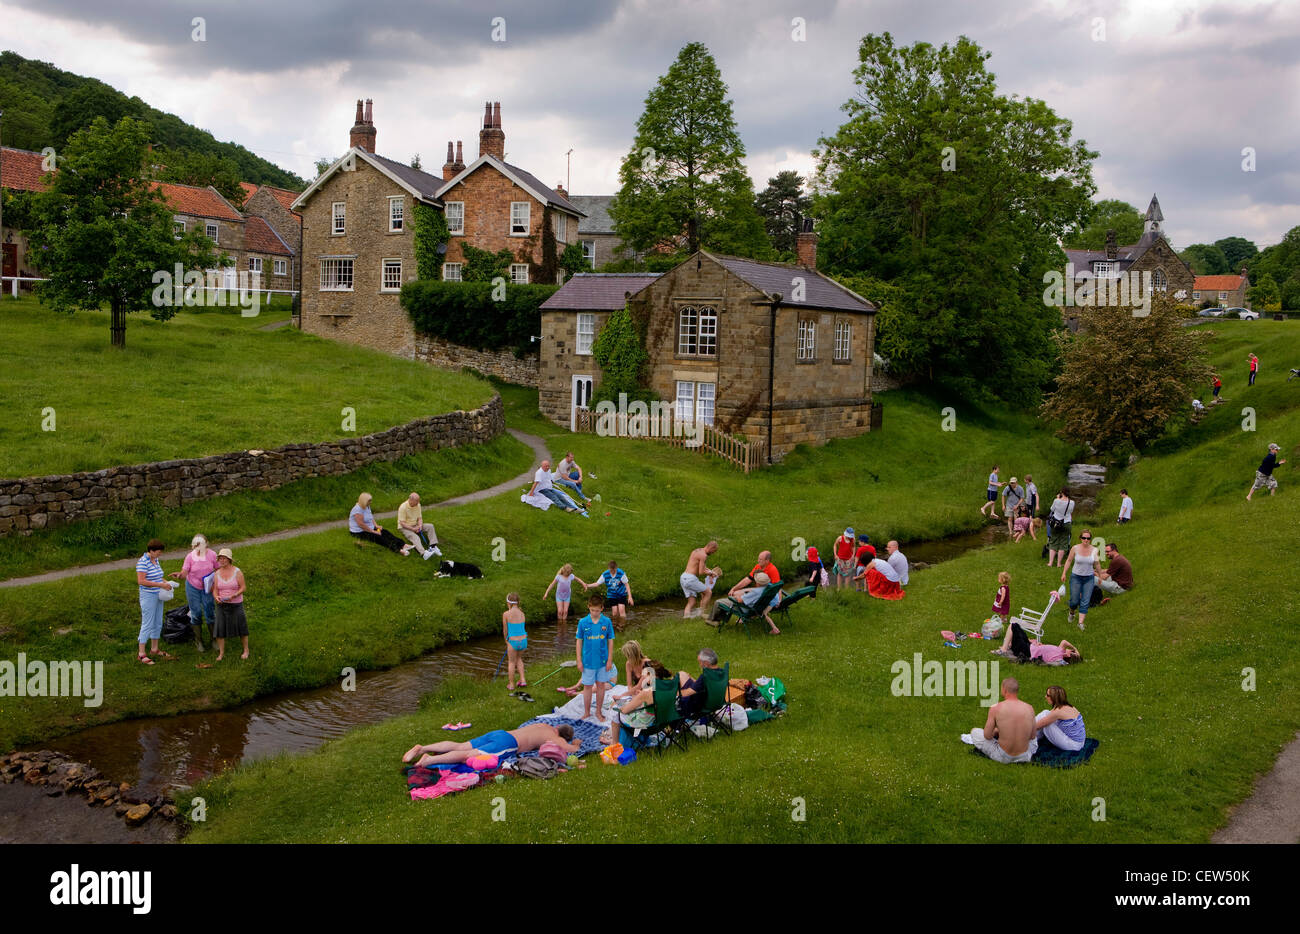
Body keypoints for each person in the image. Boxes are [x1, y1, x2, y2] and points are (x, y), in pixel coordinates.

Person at [403, 722, 580, 768]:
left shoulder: (544, 725)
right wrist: (576, 744)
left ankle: (423, 748)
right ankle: (428, 761)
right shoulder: (554, 736)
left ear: (557, 727)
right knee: (468, 756)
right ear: (561, 735)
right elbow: (570, 749)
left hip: (501, 733)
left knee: (460, 746)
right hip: (509, 743)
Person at [960, 678, 1038, 763]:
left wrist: (997, 730)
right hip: (1025, 756)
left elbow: (987, 736)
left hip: (1003, 756)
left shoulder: (996, 708)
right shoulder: (1029, 708)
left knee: (975, 732)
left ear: (1004, 690)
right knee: (1033, 740)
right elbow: (1032, 736)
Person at [602, 659, 673, 747]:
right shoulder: (667, 686)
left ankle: (615, 744)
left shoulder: (646, 692)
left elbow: (625, 710)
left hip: (648, 724)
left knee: (615, 714)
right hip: (662, 720)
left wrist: (620, 705)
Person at [169, 533, 219, 652]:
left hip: (208, 587)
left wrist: (217, 582)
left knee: (210, 612)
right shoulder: (190, 557)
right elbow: (184, 572)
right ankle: (199, 641)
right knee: (196, 612)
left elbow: (218, 569)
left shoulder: (212, 554)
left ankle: (214, 640)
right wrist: (180, 575)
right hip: (193, 587)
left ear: (206, 544)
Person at [575, 593, 615, 722]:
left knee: (601, 686)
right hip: (587, 662)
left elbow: (610, 640)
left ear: (602, 608)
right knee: (587, 687)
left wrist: (609, 660)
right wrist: (579, 660)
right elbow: (579, 641)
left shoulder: (607, 622)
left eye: (597, 610)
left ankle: (598, 711)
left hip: (603, 662)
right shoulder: (582, 622)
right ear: (588, 607)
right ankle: (587, 712)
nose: (595, 613)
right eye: (592, 610)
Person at [135, 538, 175, 665]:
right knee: (147, 623)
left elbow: (158, 576)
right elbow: (141, 581)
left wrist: (165, 582)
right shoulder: (142, 562)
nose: (160, 554)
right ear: (151, 551)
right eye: (158, 552)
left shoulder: (155, 560)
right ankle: (141, 653)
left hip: (158, 594)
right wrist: (160, 585)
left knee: (158, 621)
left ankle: (154, 648)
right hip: (148, 596)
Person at [211, 548, 249, 661]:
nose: (221, 560)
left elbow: (243, 587)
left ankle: (246, 650)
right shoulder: (217, 573)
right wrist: (216, 597)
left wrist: (235, 595)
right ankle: (221, 653)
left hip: (236, 604)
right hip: (221, 605)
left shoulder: (237, 572)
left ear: (229, 559)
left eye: (224, 558)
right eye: (220, 558)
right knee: (219, 629)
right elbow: (215, 589)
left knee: (242, 627)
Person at [990, 622, 1082, 665]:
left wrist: (1075, 652)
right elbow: (1064, 642)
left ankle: (1003, 650)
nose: (1070, 649)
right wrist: (1075, 650)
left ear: (1069, 654)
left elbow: (1064, 645)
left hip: (1026, 650)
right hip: (1029, 645)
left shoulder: (1059, 658)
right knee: (1016, 626)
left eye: (1071, 651)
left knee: (1013, 626)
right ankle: (1007, 646)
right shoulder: (1061, 650)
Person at [1062, 530, 1100, 631]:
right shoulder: (1075, 548)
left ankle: (1080, 623)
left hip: (1089, 578)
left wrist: (1100, 576)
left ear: (1090, 539)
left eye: (1088, 538)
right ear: (1080, 538)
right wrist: (1064, 573)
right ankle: (1071, 612)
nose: (1086, 540)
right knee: (1074, 601)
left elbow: (1097, 564)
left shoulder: (1094, 550)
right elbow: (1069, 560)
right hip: (1076, 577)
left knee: (1085, 601)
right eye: (1084, 538)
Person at [1035, 685, 1087, 752]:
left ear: (1054, 698)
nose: (1045, 697)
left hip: (1073, 745)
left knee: (1044, 721)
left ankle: (1025, 738)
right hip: (1080, 742)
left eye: (1048, 695)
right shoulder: (1069, 707)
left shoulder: (1058, 712)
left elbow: (1036, 726)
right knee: (1046, 713)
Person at [676, 648, 724, 718]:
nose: (700, 665)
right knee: (682, 674)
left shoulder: (705, 677)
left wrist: (674, 693)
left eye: (700, 662)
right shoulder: (722, 672)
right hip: (716, 702)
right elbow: (706, 686)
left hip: (697, 706)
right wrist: (692, 679)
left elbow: (686, 693)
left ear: (706, 663)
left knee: (678, 681)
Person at [680, 541, 721, 618]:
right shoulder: (704, 556)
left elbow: (703, 567)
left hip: (683, 577)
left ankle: (686, 617)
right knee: (708, 592)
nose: (713, 553)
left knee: (691, 602)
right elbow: (701, 572)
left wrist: (711, 572)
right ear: (711, 548)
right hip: (690, 579)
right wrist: (711, 574)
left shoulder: (697, 550)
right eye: (714, 551)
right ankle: (702, 613)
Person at [543, 563, 589, 627]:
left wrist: (584, 584)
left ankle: (563, 624)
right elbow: (551, 585)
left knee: (565, 611)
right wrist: (546, 593)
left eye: (569, 573)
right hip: (559, 596)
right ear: (564, 571)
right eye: (567, 573)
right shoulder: (558, 577)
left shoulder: (571, 576)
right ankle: (559, 623)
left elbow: (578, 579)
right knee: (560, 611)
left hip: (567, 596)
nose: (568, 574)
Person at [397, 492, 440, 560]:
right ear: (410, 500)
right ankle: (423, 554)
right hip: (404, 527)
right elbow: (402, 523)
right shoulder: (403, 507)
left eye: (418, 501)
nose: (418, 502)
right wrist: (413, 529)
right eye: (416, 501)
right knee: (415, 537)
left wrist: (419, 526)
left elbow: (419, 518)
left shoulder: (418, 505)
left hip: (415, 525)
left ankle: (433, 546)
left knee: (430, 526)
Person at [502, 593, 527, 691]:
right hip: (524, 640)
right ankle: (523, 680)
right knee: (519, 659)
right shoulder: (522, 613)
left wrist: (506, 640)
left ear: (509, 603)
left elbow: (505, 630)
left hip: (513, 641)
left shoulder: (506, 614)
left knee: (512, 662)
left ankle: (511, 685)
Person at [1046, 489, 1075, 567]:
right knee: (1064, 542)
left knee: (1053, 540)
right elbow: (1071, 511)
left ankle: (1050, 563)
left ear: (1062, 493)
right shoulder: (1072, 502)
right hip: (1066, 523)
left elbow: (1052, 509)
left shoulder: (1056, 500)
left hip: (1056, 523)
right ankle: (1059, 563)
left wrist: (1058, 498)